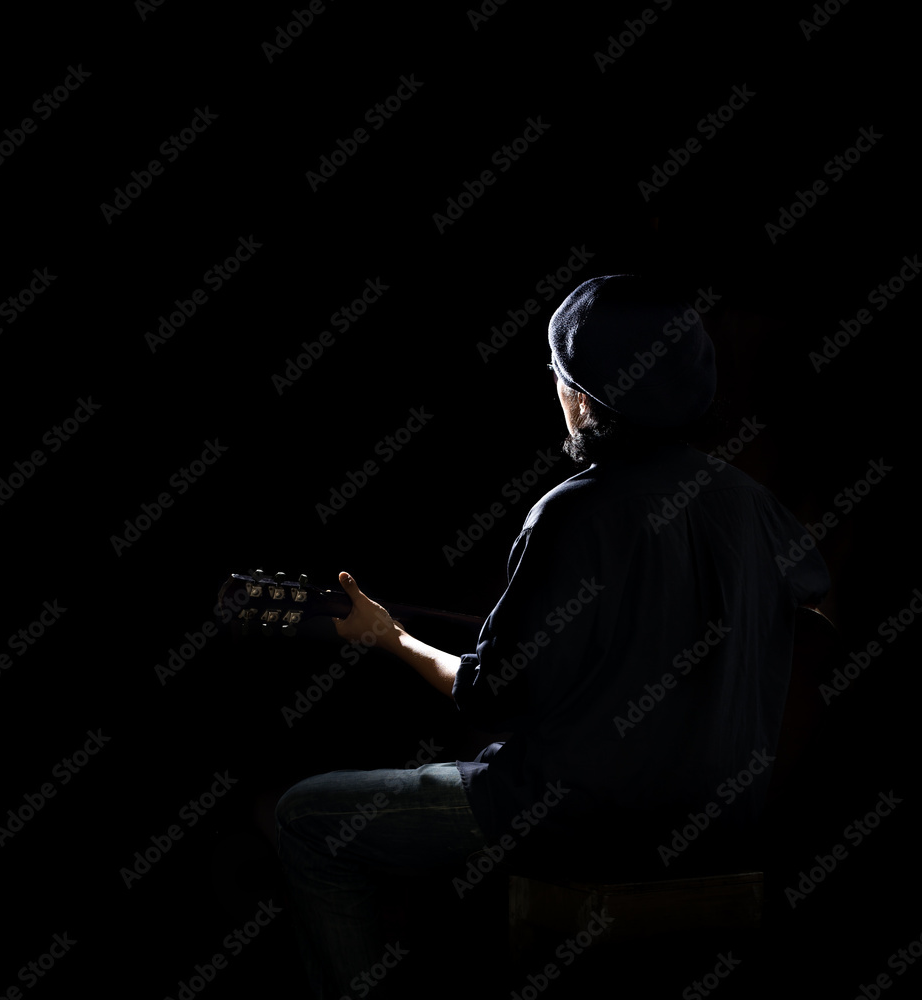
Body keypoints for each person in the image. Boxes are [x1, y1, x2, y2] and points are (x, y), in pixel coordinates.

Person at [274, 273, 830, 998]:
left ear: (583, 398)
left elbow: (486, 695)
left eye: (559, 380)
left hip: (577, 823)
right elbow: (813, 620)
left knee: (307, 818)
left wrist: (389, 637)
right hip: (724, 825)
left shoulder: (571, 513)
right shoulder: (753, 506)